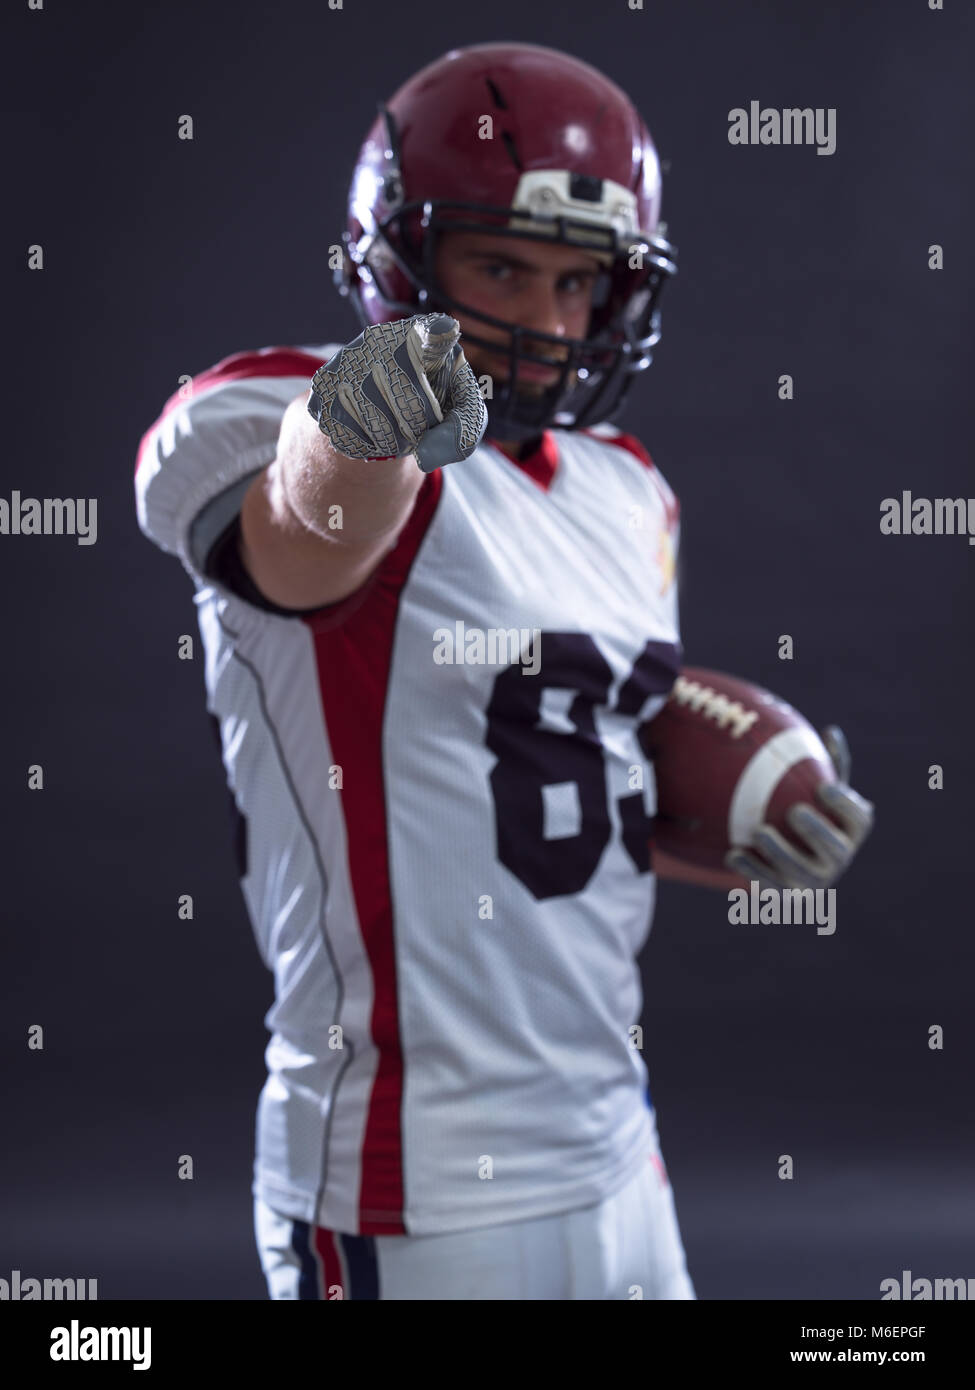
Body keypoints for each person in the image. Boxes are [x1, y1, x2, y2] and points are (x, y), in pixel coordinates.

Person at [134, 41, 872, 1300]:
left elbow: (565, 786)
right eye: (499, 267)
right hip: (418, 1180)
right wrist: (357, 438)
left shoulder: (628, 486)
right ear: (399, 261)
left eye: (579, 280)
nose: (542, 321)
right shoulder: (284, 408)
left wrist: (743, 820)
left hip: (618, 1143)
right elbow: (300, 545)